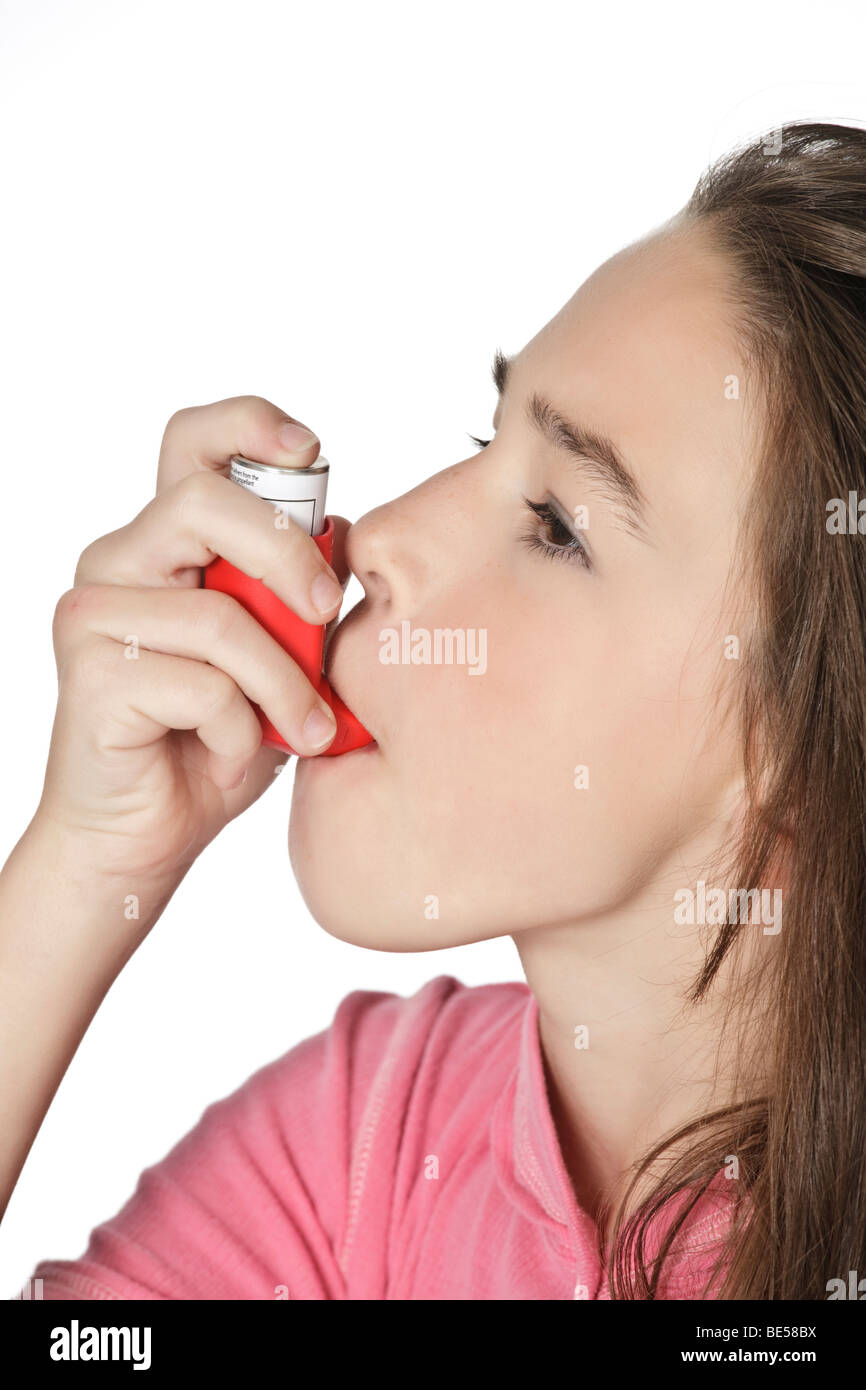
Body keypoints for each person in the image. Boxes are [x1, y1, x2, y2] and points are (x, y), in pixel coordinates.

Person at [3, 119, 865, 1300]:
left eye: (556, 524)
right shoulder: (365, 1138)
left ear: (816, 761)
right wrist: (86, 864)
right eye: (481, 438)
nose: (384, 535)